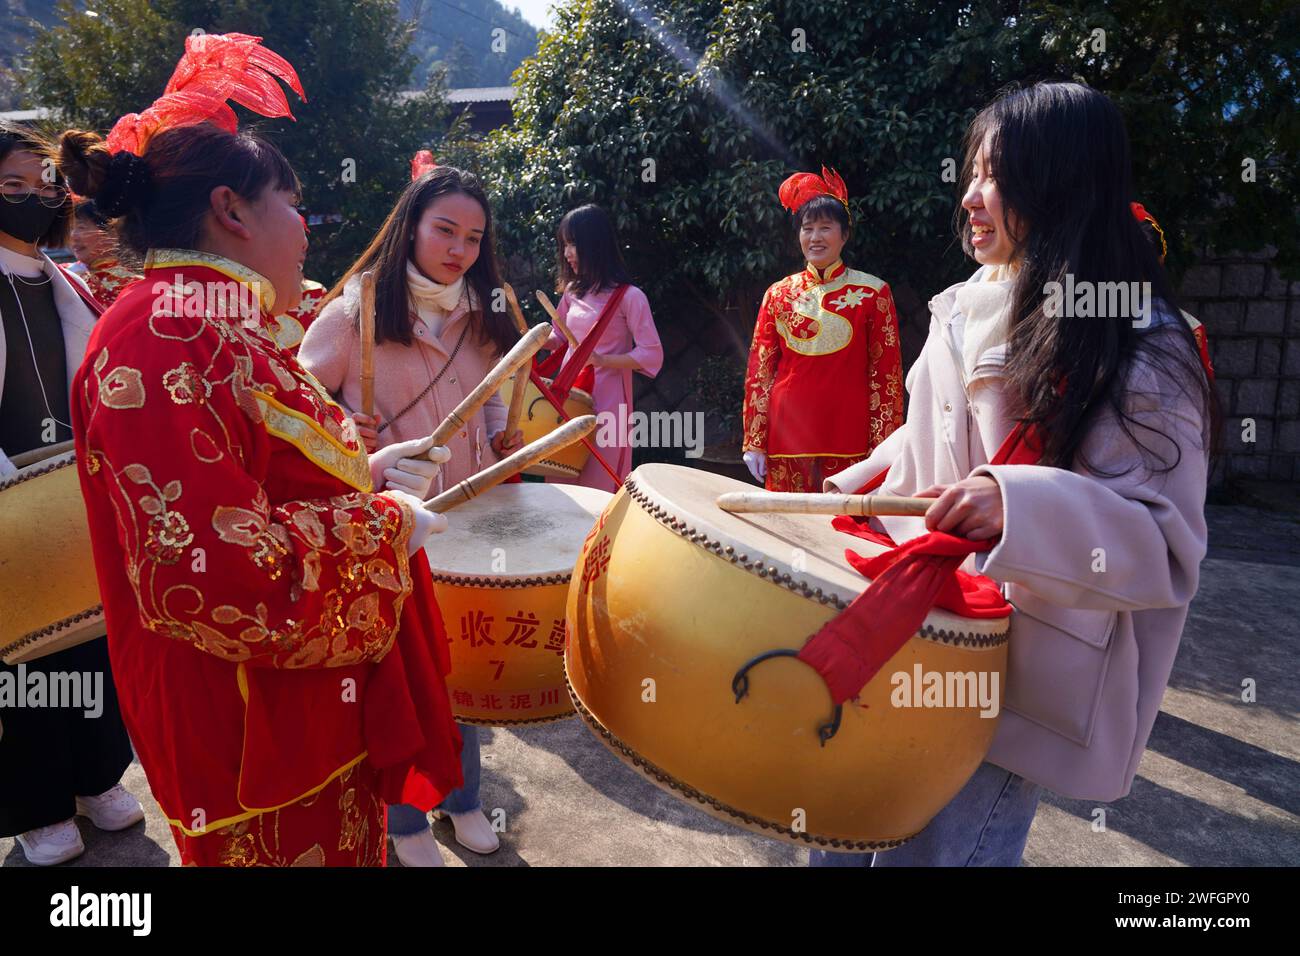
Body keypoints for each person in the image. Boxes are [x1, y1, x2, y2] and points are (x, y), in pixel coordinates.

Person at [60, 32, 463, 867]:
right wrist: (382, 528)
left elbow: (255, 481)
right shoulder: (162, 336)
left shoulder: (208, 324)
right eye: (296, 204)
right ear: (231, 210)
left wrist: (364, 476)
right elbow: (208, 575)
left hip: (300, 711)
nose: (309, 230)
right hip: (250, 738)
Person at [811, 81, 1218, 866]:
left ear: (1061, 184)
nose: (970, 197)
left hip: (1006, 670)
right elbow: (925, 437)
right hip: (912, 629)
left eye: (993, 176)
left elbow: (1164, 549)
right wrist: (854, 482)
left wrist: (1016, 505)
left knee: (942, 855)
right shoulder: (966, 300)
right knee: (842, 831)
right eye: (971, 173)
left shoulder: (1140, 340)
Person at [300, 160, 522, 867]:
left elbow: (493, 386)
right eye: (445, 230)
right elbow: (298, 403)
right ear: (411, 228)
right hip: (393, 521)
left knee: (461, 672)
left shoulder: (485, 303)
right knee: (406, 677)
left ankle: (461, 801)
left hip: (473, 509)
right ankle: (405, 821)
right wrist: (342, 427)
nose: (459, 249)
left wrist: (502, 432)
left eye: (474, 237)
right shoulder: (355, 308)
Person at [0, 121, 143, 866]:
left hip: (77, 494)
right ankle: (36, 804)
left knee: (90, 639)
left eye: (42, 185)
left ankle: (94, 779)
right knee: (22, 662)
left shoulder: (65, 279)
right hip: (11, 507)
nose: (33, 199)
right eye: (11, 187)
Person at [741, 167, 904, 493]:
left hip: (849, 433)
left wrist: (885, 447)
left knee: (841, 529)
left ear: (844, 235)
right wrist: (754, 440)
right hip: (786, 436)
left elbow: (885, 377)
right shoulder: (778, 294)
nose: (815, 237)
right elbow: (760, 371)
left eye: (826, 228)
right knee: (787, 529)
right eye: (808, 228)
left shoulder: (874, 293)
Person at [543, 203, 661, 491]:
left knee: (601, 486)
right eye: (564, 245)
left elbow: (651, 353)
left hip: (608, 403)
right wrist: (530, 338)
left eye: (573, 244)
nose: (567, 253)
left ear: (594, 245)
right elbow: (559, 338)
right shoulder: (571, 293)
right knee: (561, 479)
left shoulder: (630, 297)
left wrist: (602, 359)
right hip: (569, 397)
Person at [68, 200, 140, 308]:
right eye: (70, 228)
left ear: (112, 232)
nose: (73, 236)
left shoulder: (132, 285)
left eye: (81, 227)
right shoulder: (62, 274)